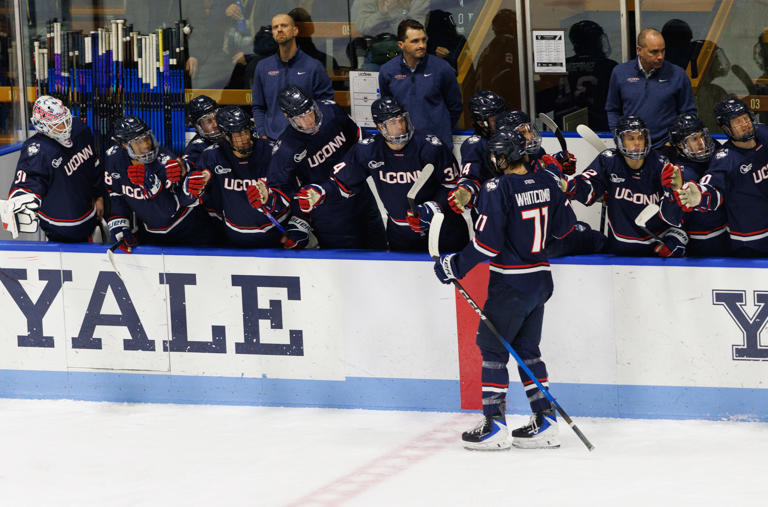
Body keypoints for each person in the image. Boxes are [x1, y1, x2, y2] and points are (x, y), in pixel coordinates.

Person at [433, 129, 577, 450]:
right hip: (540, 280)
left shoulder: (497, 187)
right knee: (528, 350)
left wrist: (454, 266)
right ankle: (546, 419)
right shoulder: (549, 181)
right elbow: (566, 227)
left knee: (493, 348)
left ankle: (494, 425)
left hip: (510, 283)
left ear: (503, 157)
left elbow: (485, 244)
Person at [293, 96, 468, 252]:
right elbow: (341, 182)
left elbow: (452, 187)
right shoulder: (368, 150)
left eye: (402, 120)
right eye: (392, 123)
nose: (400, 126)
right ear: (380, 127)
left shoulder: (431, 146)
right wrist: (320, 191)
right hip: (401, 234)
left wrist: (433, 208)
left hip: (443, 229)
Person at [262, 85, 385, 249]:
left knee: (380, 251)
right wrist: (298, 217)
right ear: (287, 116)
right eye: (301, 117)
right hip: (330, 216)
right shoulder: (285, 149)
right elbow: (281, 190)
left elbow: (360, 142)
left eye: (310, 112)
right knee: (345, 265)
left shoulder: (331, 110)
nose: (309, 121)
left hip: (361, 199)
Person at [561, 115, 685, 257]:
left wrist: (676, 238)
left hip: (654, 253)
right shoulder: (608, 161)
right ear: (620, 141)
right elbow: (588, 188)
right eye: (631, 138)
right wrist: (567, 185)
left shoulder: (661, 164)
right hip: (619, 251)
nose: (637, 143)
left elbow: (676, 214)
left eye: (640, 137)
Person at [183, 106, 290, 248]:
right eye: (238, 134)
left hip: (275, 236)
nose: (245, 138)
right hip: (234, 239)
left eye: (246, 131)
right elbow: (187, 201)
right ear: (225, 135)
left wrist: (269, 198)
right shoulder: (212, 156)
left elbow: (290, 192)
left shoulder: (271, 151)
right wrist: (191, 190)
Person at [105, 115, 214, 249]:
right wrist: (120, 228)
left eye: (146, 138)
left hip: (188, 231)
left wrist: (151, 184)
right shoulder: (114, 159)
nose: (145, 145)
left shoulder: (167, 161)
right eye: (138, 142)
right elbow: (116, 196)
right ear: (123, 145)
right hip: (151, 235)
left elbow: (170, 210)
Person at [676, 98, 768, 257]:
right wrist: (700, 196)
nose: (745, 124)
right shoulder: (725, 159)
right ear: (727, 128)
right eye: (737, 122)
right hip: (751, 241)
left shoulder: (764, 134)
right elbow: (713, 188)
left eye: (745, 118)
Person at [5, 96, 104, 242]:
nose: (66, 127)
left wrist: (99, 196)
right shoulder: (38, 149)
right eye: (59, 124)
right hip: (58, 228)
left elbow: (93, 164)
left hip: (90, 215)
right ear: (42, 126)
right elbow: (29, 180)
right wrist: (22, 200)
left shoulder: (79, 128)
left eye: (66, 119)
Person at [605, 28, 696, 148]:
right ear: (639, 50)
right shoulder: (620, 73)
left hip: (666, 147)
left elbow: (689, 114)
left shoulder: (678, 74)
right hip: (633, 147)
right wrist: (619, 138)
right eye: (654, 52)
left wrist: (674, 141)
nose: (660, 57)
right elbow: (613, 110)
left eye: (663, 51)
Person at [378, 19, 463, 148]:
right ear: (401, 45)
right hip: (405, 146)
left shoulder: (442, 68)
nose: (421, 45)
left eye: (424, 40)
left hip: (438, 145)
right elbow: (387, 111)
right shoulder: (388, 71)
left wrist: (441, 128)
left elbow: (455, 106)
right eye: (415, 41)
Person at [251, 13, 334, 140]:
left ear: (295, 30)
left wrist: (315, 133)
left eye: (284, 25)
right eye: (275, 27)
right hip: (272, 139)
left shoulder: (313, 66)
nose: (279, 29)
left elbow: (326, 105)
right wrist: (262, 133)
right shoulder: (263, 67)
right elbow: (258, 106)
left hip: (306, 140)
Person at [661, 113, 728, 256]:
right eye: (693, 139)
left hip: (726, 235)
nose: (701, 143)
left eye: (701, 136)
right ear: (680, 145)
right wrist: (676, 235)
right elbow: (673, 216)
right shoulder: (676, 171)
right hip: (698, 243)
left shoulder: (716, 150)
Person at [182, 95, 223, 169]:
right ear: (197, 127)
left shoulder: (232, 133)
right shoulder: (196, 148)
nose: (215, 124)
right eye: (208, 121)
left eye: (216, 117)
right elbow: (187, 165)